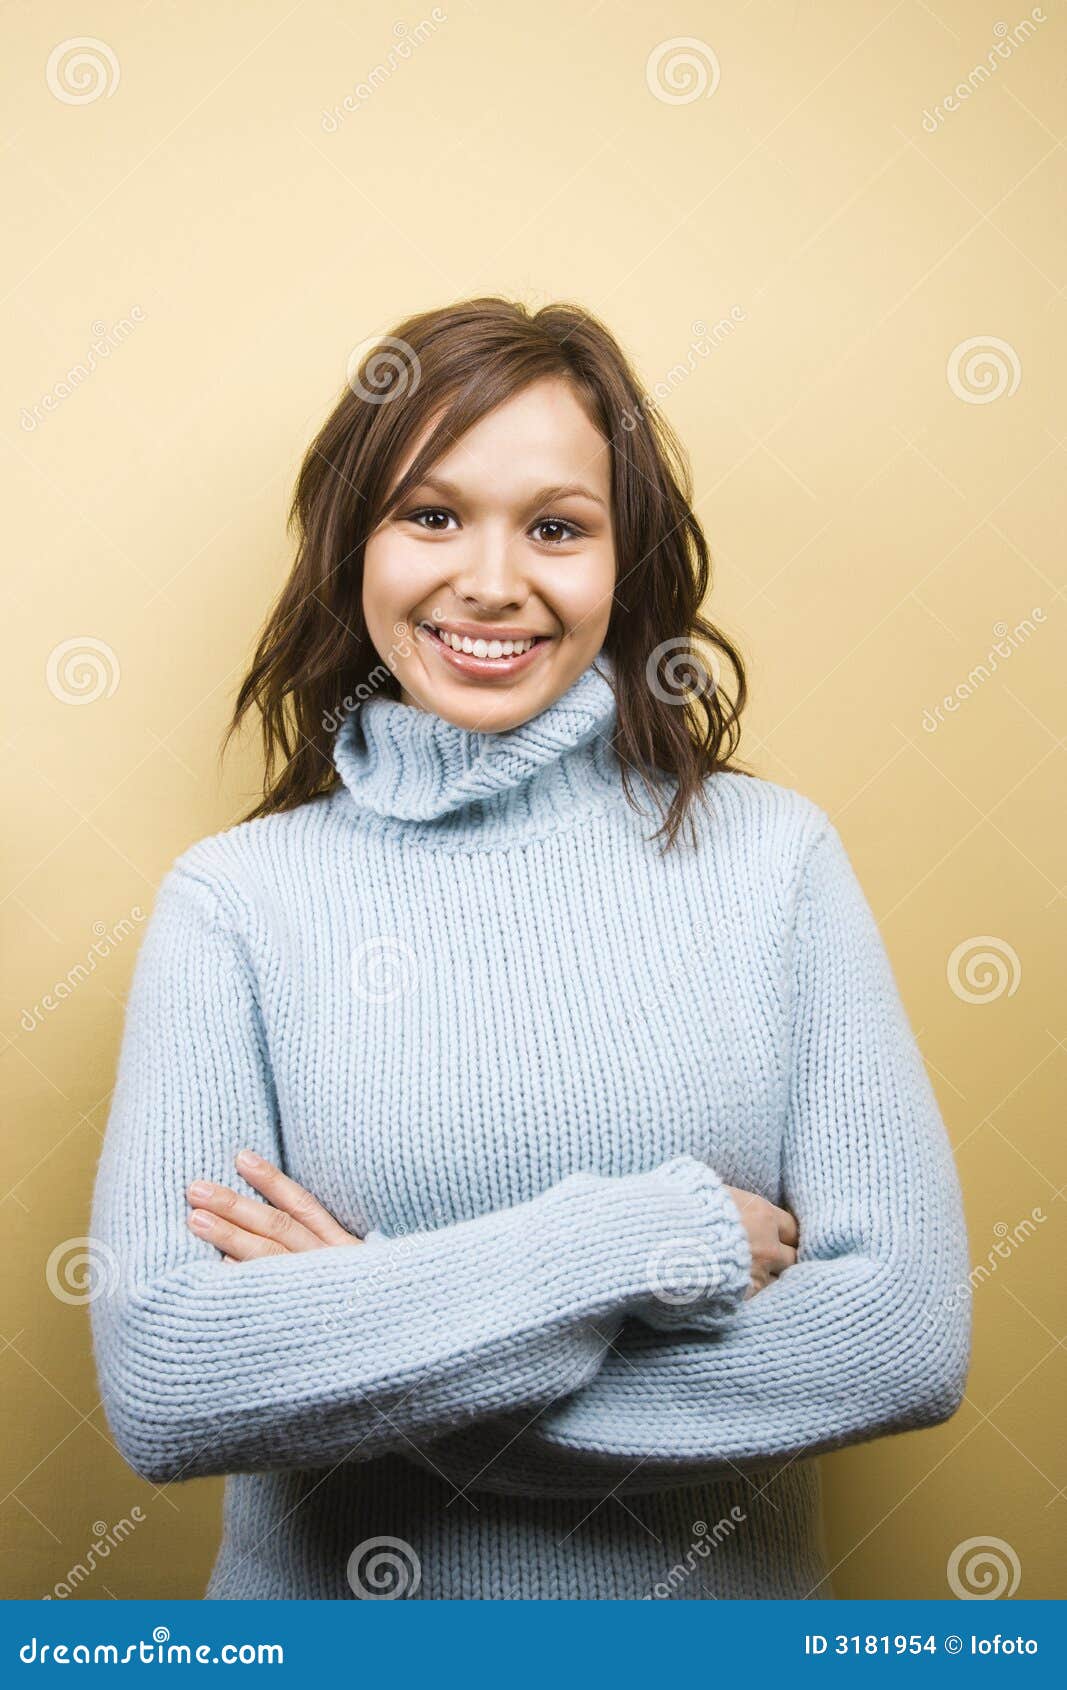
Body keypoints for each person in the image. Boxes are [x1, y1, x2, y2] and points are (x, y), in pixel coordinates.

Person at [89, 296, 971, 1600]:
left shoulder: (774, 860)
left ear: (625, 566)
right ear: (354, 544)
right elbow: (170, 1379)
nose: (491, 579)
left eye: (557, 526)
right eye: (431, 514)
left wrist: (367, 1326)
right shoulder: (238, 901)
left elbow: (900, 1337)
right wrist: (644, 1238)